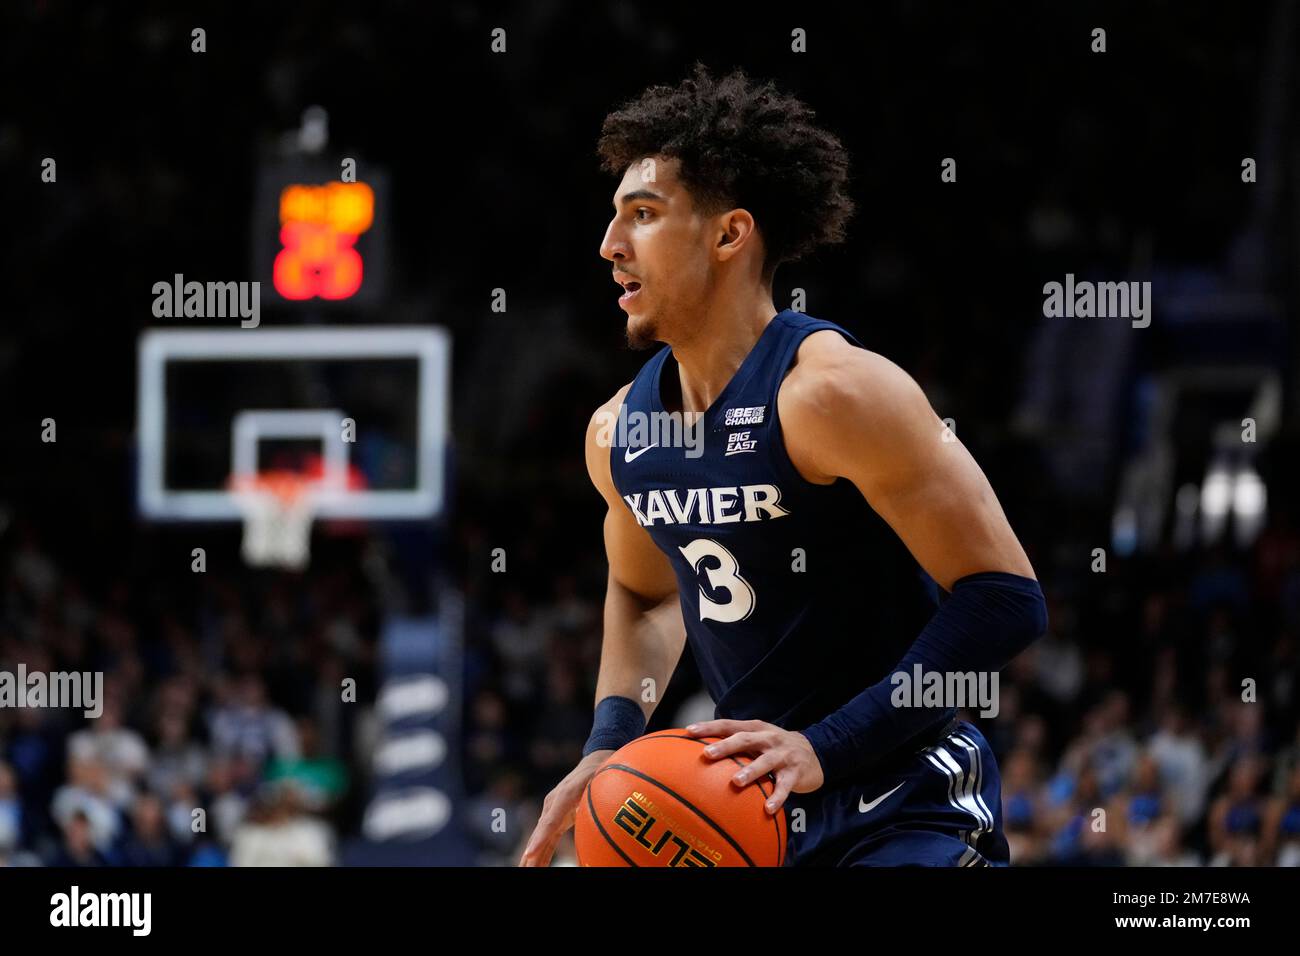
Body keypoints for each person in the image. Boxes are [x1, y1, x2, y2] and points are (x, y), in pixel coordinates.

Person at [520, 64, 1046, 867]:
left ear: (730, 234)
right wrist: (613, 741)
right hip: (756, 815)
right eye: (613, 218)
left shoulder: (834, 392)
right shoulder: (616, 432)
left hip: (904, 800)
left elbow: (1005, 598)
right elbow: (643, 591)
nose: (609, 245)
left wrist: (826, 747)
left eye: (644, 215)